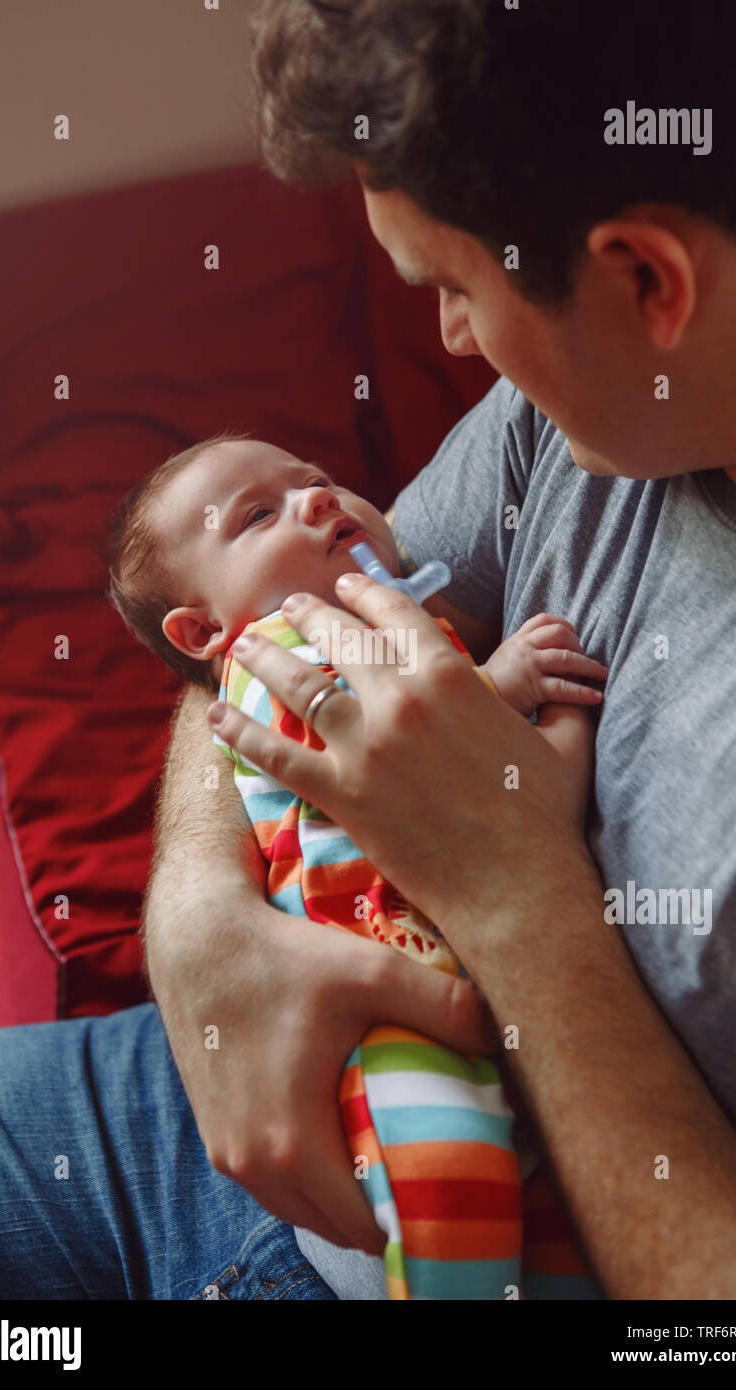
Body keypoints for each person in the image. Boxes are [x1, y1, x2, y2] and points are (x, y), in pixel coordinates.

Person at [0, 0, 736, 1301]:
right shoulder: (583, 419)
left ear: (645, 282)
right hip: (166, 1101)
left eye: (453, 289)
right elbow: (266, 637)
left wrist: (514, 893)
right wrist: (204, 927)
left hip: (460, 1222)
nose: (454, 343)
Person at [104, 430, 608, 1298]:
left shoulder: (380, 623)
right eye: (261, 514)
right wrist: (504, 684)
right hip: (380, 982)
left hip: (480, 995)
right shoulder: (275, 655)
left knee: (548, 1233)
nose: (317, 500)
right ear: (205, 631)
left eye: (319, 479)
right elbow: (394, 735)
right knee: (445, 1181)